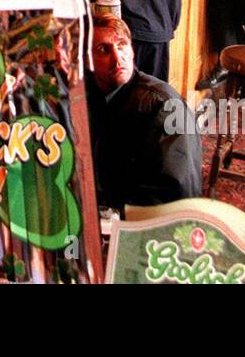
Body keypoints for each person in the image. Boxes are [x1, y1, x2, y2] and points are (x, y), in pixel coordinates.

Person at [84, 14, 202, 210]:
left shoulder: (164, 105)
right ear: (87, 61)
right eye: (103, 49)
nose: (117, 58)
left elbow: (174, 194)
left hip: (150, 223)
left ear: (132, 51)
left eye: (121, 45)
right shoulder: (93, 96)